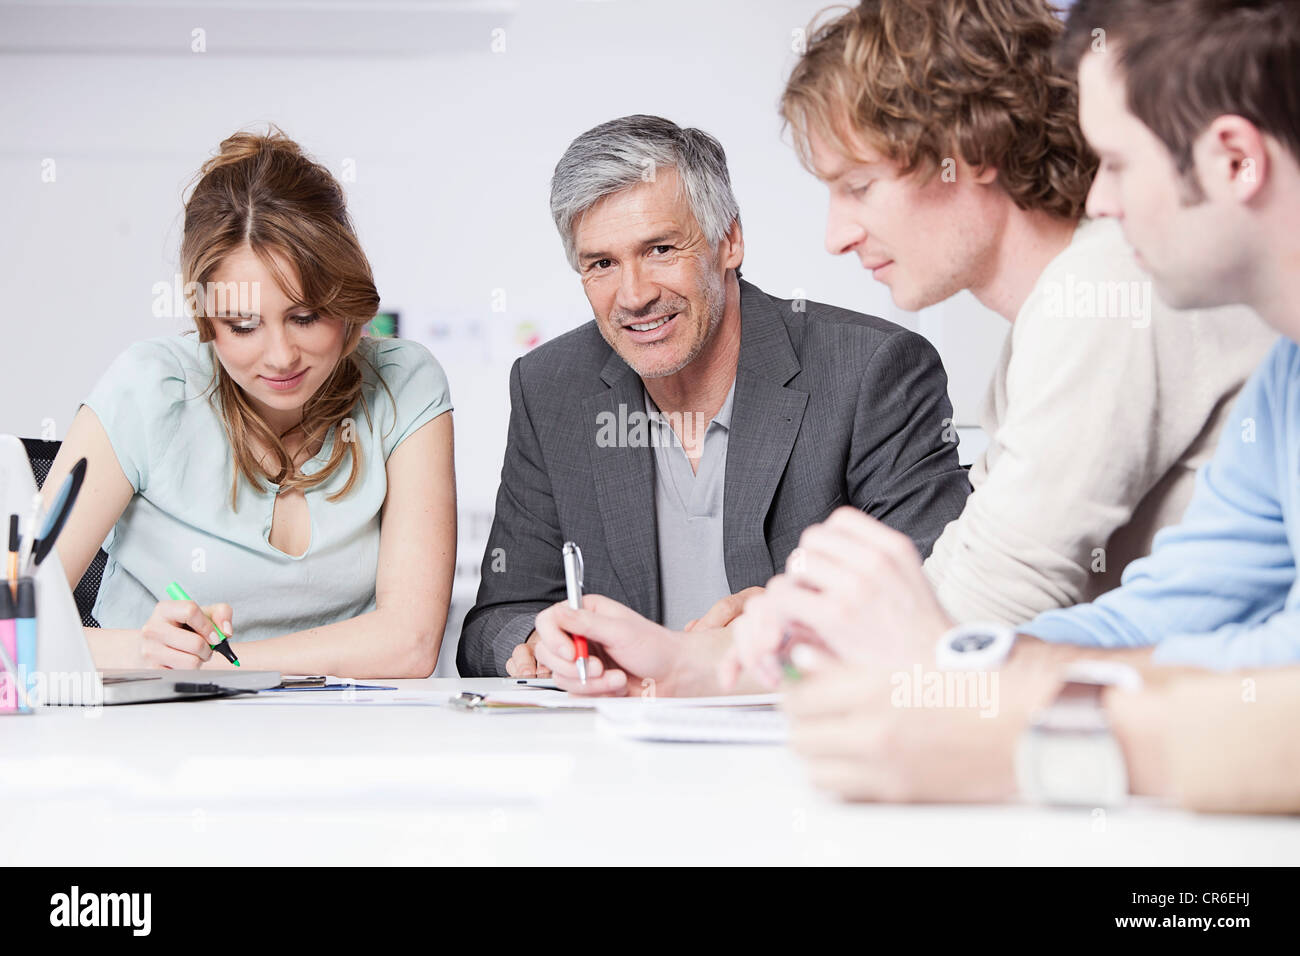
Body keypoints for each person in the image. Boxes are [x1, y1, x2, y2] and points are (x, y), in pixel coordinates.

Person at [750, 0, 1300, 806]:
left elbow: (1267, 667)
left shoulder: (1103, 286)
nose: (1101, 202)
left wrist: (1025, 723)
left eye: (1116, 163)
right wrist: (969, 671)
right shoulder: (1284, 373)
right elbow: (1175, 612)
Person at [458, 114, 971, 684]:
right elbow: (494, 621)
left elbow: (939, 599)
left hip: (803, 741)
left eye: (659, 249)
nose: (633, 295)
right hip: (615, 755)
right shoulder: (551, 385)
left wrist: (789, 628)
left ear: (729, 240)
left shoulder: (873, 370)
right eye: (602, 263)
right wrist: (537, 642)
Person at [41, 128, 457, 678]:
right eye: (243, 325)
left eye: (306, 317)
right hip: (153, 729)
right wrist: (144, 652)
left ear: (346, 299)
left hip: (343, 731)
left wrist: (219, 663)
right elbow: (11, 620)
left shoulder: (406, 382)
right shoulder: (147, 388)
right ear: (205, 319)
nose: (281, 356)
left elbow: (410, 643)